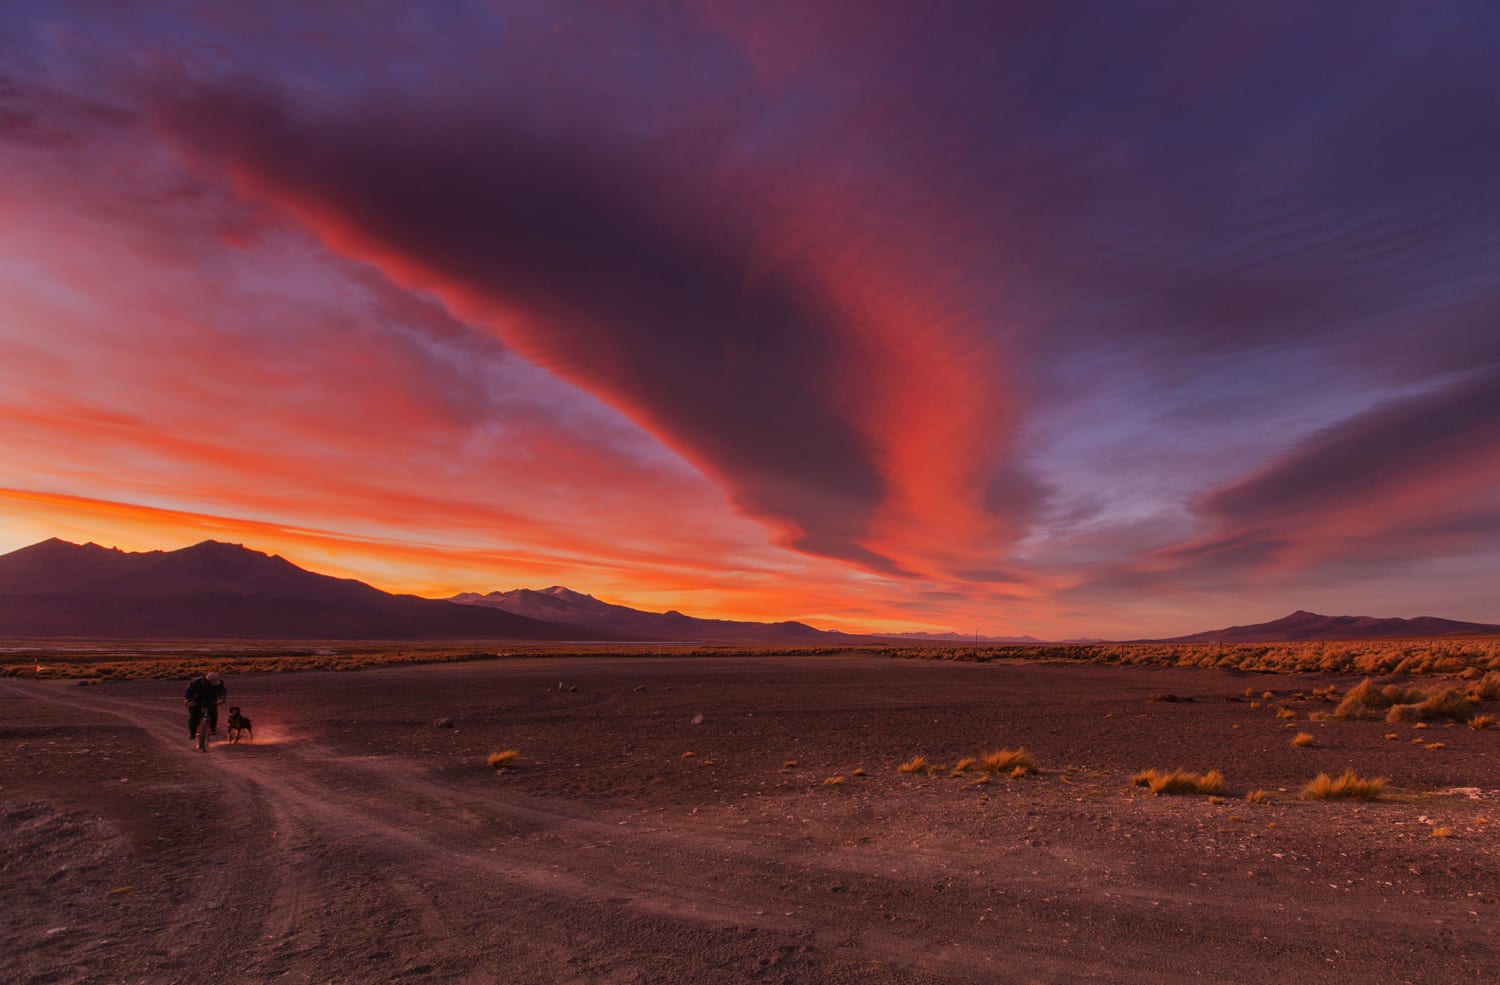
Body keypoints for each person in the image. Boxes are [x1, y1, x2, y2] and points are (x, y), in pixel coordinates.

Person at [185, 671, 227, 744]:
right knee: (194, 716)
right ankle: (192, 733)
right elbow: (189, 692)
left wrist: (222, 699)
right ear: (207, 680)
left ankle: (212, 728)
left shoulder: (220, 683)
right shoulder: (196, 682)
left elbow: (222, 691)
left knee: (213, 713)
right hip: (197, 700)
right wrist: (188, 700)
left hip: (211, 700)